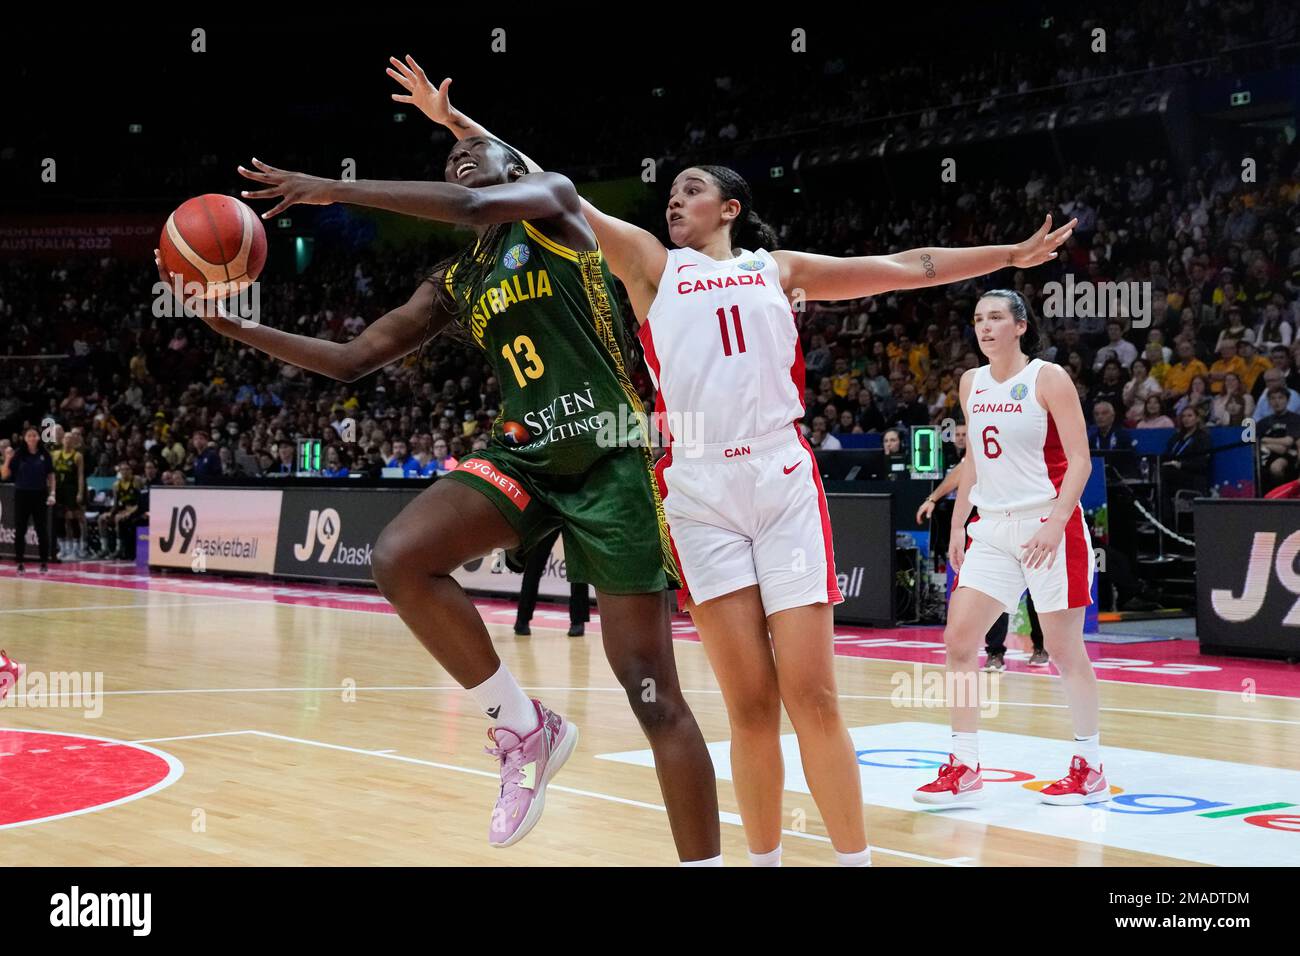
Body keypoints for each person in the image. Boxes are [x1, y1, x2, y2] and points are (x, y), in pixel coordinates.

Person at [386, 55, 1076, 864]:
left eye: (690, 189)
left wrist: (1007, 257)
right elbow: (550, 182)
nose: (674, 199)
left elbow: (906, 268)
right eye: (670, 191)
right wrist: (461, 127)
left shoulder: (775, 271)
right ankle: (763, 861)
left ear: (730, 208)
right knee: (749, 705)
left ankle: (853, 861)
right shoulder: (649, 265)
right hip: (698, 490)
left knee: (811, 696)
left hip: (781, 479)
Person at [172, 124, 722, 864]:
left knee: (651, 693)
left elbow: (468, 206)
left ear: (511, 163)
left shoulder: (554, 205)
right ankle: (525, 728)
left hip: (611, 457)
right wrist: (236, 326)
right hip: (524, 456)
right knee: (400, 555)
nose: (460, 160)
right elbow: (351, 360)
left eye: (474, 151)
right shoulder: (456, 282)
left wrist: (332, 187)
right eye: (449, 157)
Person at [917, 290, 1108, 806]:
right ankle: (964, 763)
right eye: (978, 319)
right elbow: (975, 458)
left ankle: (1090, 766)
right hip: (993, 528)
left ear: (1021, 326)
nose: (985, 327)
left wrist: (1056, 523)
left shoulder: (1048, 378)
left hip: (1049, 521)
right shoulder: (970, 383)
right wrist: (959, 522)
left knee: (1065, 651)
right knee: (959, 642)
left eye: (996, 317)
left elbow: (1081, 461)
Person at [916, 456, 1048, 672]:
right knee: (990, 593)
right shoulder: (984, 432)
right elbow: (966, 467)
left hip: (1034, 519)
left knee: (1037, 594)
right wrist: (934, 499)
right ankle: (995, 652)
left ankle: (1041, 646)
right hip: (994, 523)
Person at [513, 527, 590, 637]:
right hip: (551, 510)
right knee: (534, 564)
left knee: (578, 565)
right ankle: (522, 619)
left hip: (573, 511)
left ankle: (578, 621)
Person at [1, 427, 55, 572]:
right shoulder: (18, 454)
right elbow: (5, 475)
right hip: (22, 495)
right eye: (29, 435)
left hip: (40, 494)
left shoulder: (44, 454)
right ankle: (19, 563)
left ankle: (44, 562)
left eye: (34, 435)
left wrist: (53, 493)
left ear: (38, 437)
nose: (32, 438)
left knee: (41, 529)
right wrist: (7, 458)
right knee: (20, 529)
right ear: (25, 438)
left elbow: (51, 475)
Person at [1160, 405, 1212, 530]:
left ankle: (1167, 520)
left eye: (1190, 416)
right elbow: (1166, 456)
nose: (1186, 419)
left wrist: (1180, 465)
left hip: (1192, 478)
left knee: (1165, 473)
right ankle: (1161, 515)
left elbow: (1202, 464)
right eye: (1183, 416)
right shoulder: (1176, 438)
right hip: (1172, 476)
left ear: (1197, 418)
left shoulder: (1202, 438)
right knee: (1161, 473)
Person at [95, 462, 144, 559]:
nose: (125, 472)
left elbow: (142, 501)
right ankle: (104, 548)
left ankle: (119, 549)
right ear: (120, 472)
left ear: (131, 471)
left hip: (136, 509)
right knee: (102, 519)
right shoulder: (116, 485)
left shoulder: (136, 481)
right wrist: (110, 513)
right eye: (123, 470)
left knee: (118, 518)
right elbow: (116, 504)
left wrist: (130, 512)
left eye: (127, 469)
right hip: (124, 510)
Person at [1255, 386, 1300, 491]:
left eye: (1280, 398)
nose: (1277, 402)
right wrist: (1272, 445)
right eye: (1273, 398)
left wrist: (1265, 440)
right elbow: (1253, 440)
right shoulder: (1263, 422)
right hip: (1266, 455)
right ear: (1269, 402)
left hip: (1289, 456)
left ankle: (1281, 495)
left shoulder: (1295, 419)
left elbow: (1288, 441)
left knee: (1276, 468)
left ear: (1287, 400)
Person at [52, 428, 86, 560]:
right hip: (59, 489)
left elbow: (80, 476)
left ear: (73, 441)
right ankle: (63, 548)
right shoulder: (55, 454)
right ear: (62, 440)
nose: (68, 440)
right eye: (66, 438)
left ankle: (76, 549)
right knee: (59, 518)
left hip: (71, 489)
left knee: (72, 517)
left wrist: (80, 492)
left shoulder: (77, 456)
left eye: (70, 438)